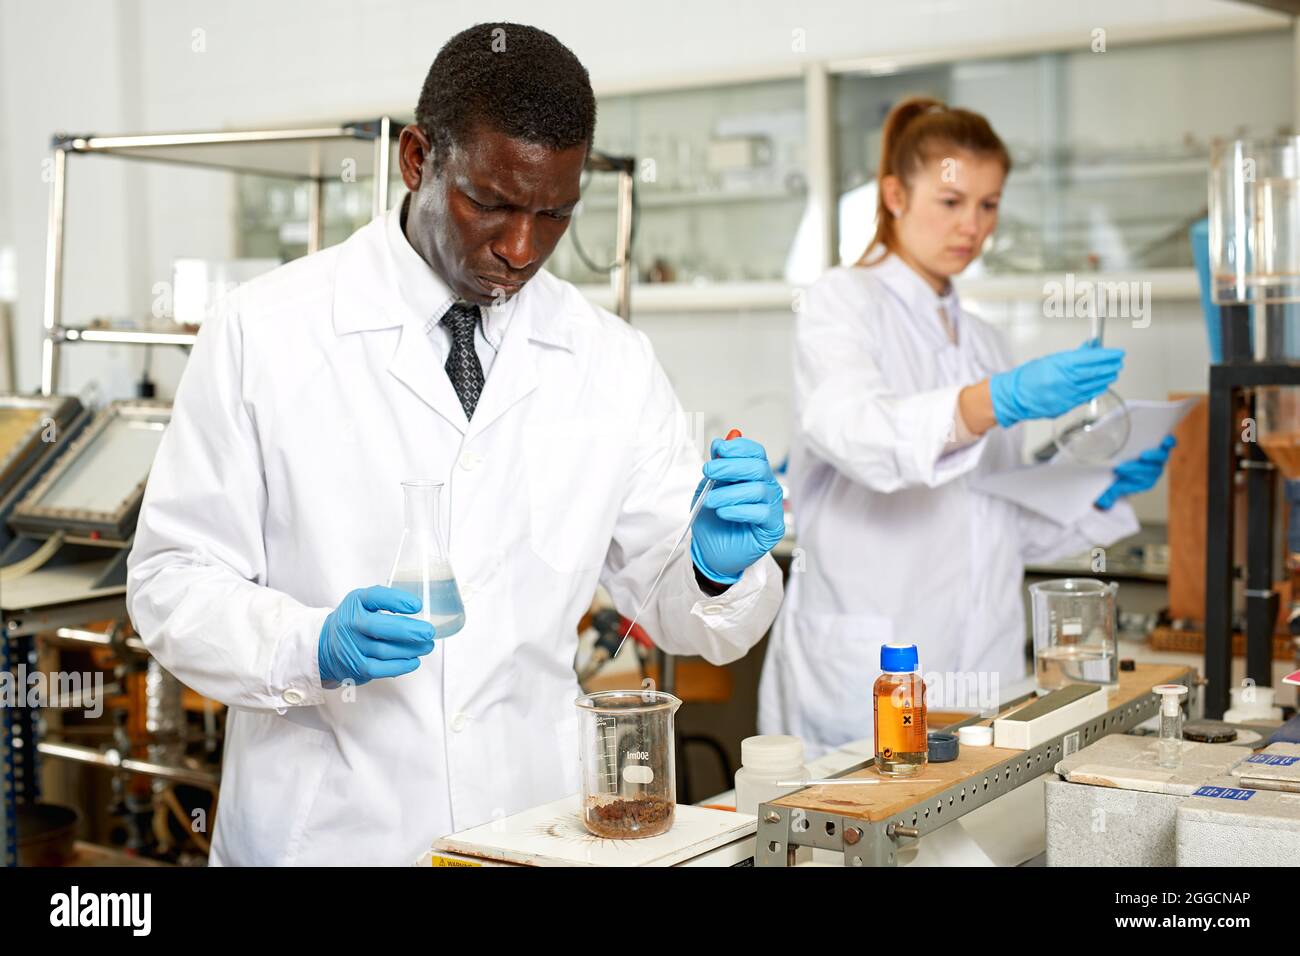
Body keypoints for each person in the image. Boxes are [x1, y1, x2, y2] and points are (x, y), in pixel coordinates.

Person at [127, 23, 784, 865]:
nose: (520, 248)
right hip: (332, 834)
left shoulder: (609, 359)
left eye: (554, 214)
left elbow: (683, 612)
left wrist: (712, 569)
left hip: (535, 829)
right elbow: (171, 582)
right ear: (416, 160)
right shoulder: (266, 331)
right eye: (492, 204)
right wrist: (308, 643)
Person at [758, 96, 1173, 758]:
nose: (972, 226)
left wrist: (1098, 488)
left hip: (986, 662)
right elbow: (857, 432)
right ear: (895, 194)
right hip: (870, 665)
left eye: (989, 205)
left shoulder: (984, 339)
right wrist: (993, 401)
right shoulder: (842, 302)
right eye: (951, 201)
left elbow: (991, 517)